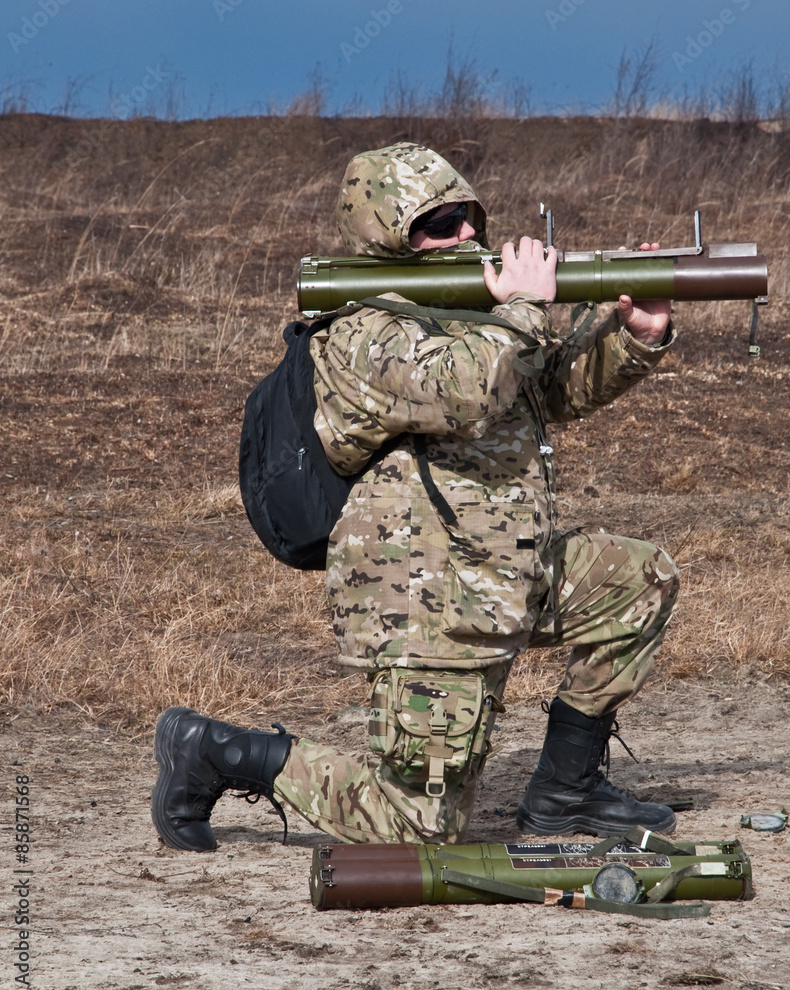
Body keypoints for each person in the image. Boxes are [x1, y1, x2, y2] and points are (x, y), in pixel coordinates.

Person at [152, 142, 680, 851]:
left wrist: (636, 335)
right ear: (387, 238)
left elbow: (548, 388)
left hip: (507, 568)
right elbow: (468, 392)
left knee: (638, 582)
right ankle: (216, 751)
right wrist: (523, 304)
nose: (464, 234)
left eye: (467, 216)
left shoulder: (469, 316)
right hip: (428, 604)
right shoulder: (363, 334)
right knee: (419, 829)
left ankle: (567, 790)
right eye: (437, 224)